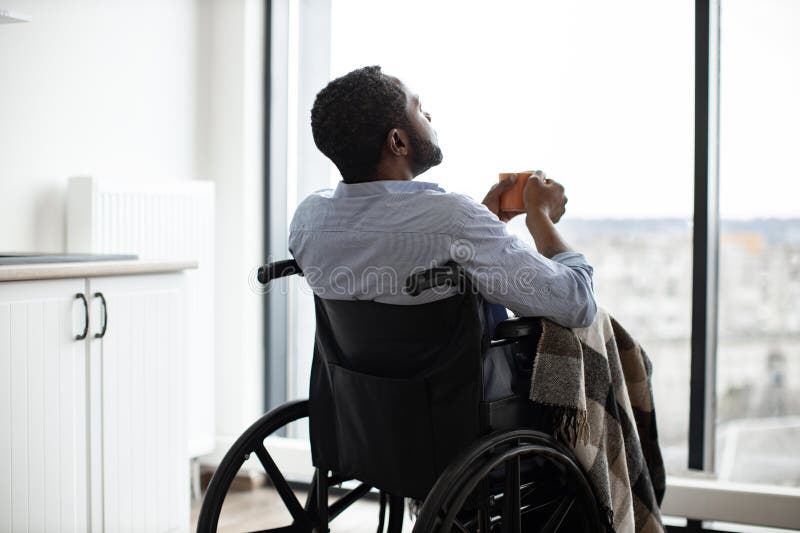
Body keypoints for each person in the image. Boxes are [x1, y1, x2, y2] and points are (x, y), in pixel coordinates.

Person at [289, 65, 597, 399]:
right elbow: (578, 303)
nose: (429, 115)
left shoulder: (308, 221)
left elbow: (389, 248)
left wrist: (485, 225)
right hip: (465, 414)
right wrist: (540, 218)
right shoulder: (452, 219)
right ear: (397, 141)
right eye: (419, 108)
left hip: (364, 413)